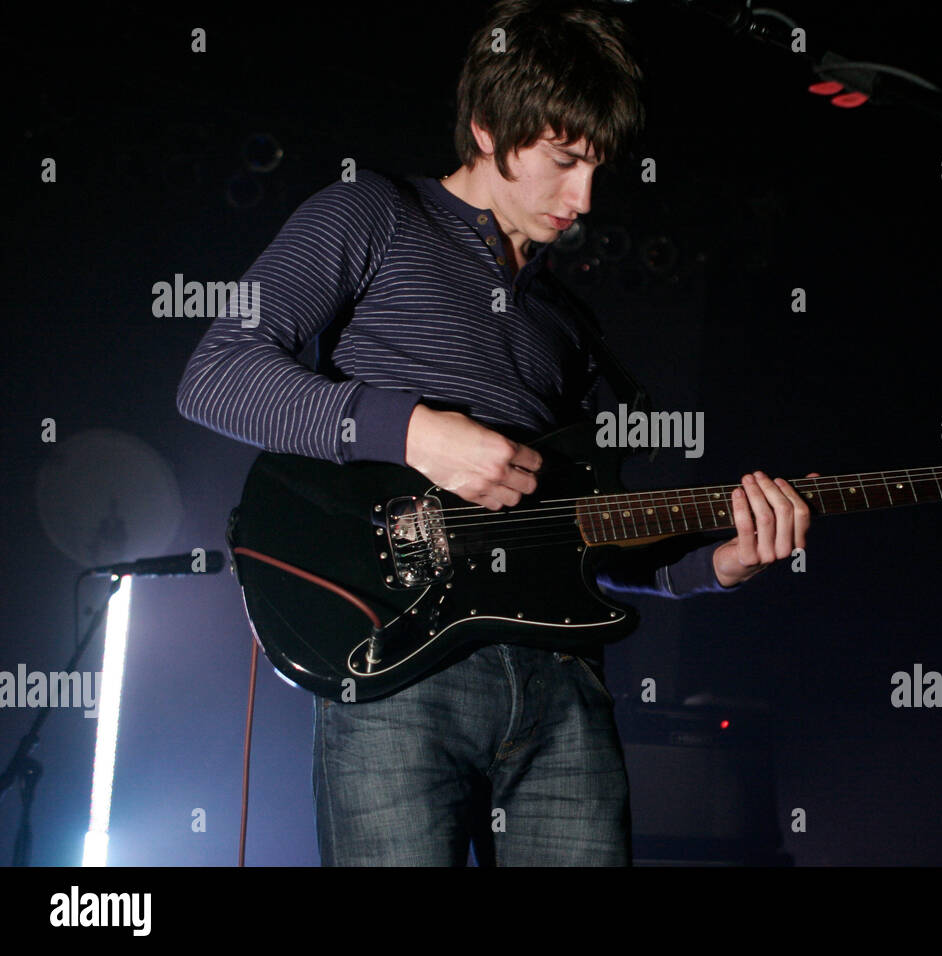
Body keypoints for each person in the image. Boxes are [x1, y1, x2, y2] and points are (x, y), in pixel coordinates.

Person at [176, 0, 812, 865]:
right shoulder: (373, 213)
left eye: (599, 167)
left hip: (564, 689)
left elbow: (588, 540)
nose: (584, 198)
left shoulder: (567, 324)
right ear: (487, 127)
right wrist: (413, 432)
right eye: (563, 160)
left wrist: (715, 565)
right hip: (399, 661)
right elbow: (216, 374)